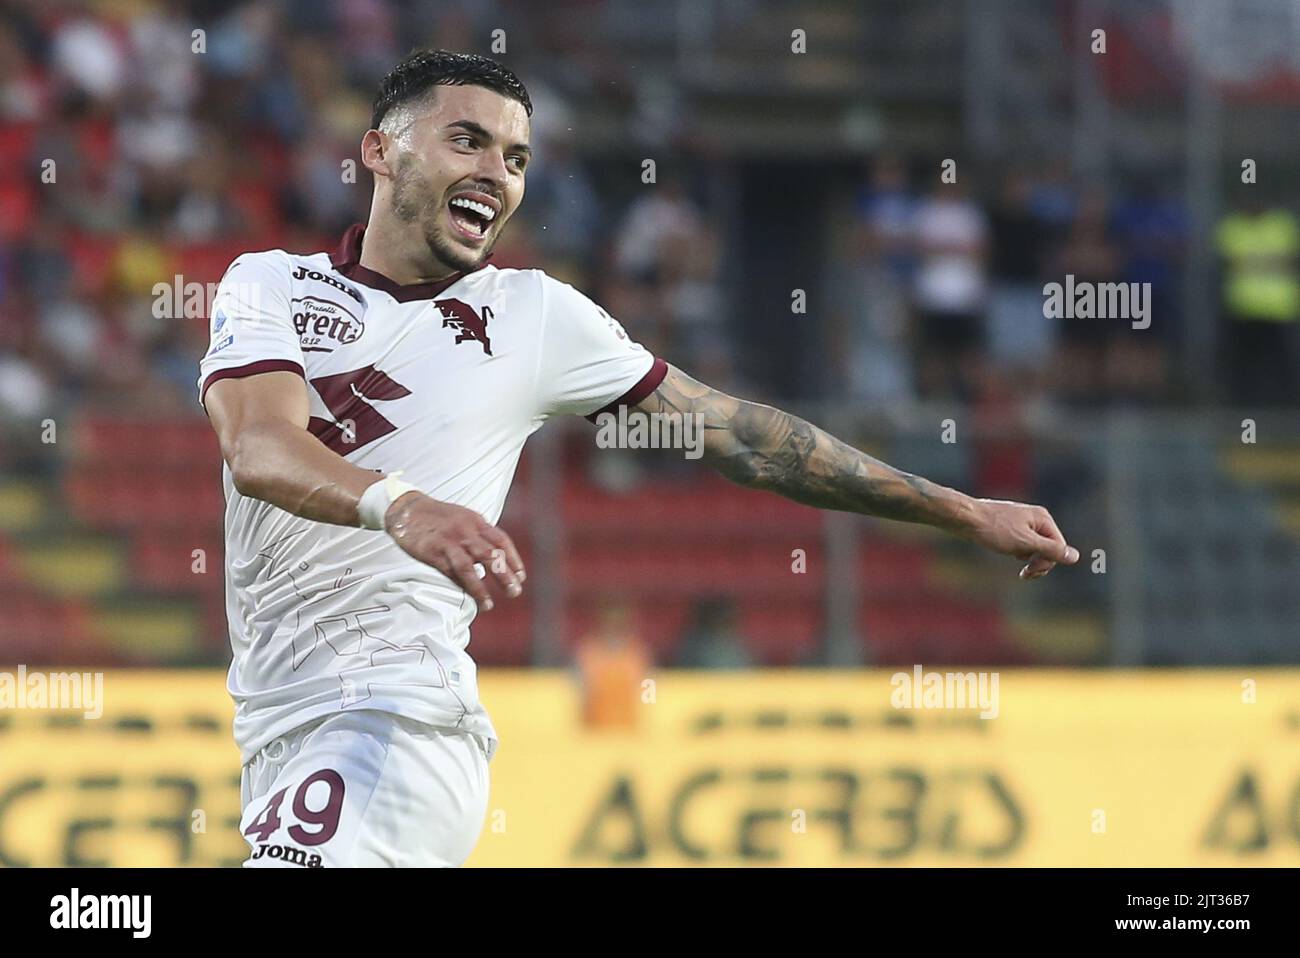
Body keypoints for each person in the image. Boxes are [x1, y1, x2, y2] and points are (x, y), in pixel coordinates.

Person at [198, 50, 1079, 868]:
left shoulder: (537, 316)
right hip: (275, 730)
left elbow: (744, 439)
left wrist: (962, 510)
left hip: (395, 716)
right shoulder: (268, 282)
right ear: (381, 151)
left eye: (515, 158)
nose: (494, 172)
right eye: (466, 139)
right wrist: (403, 504)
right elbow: (261, 447)